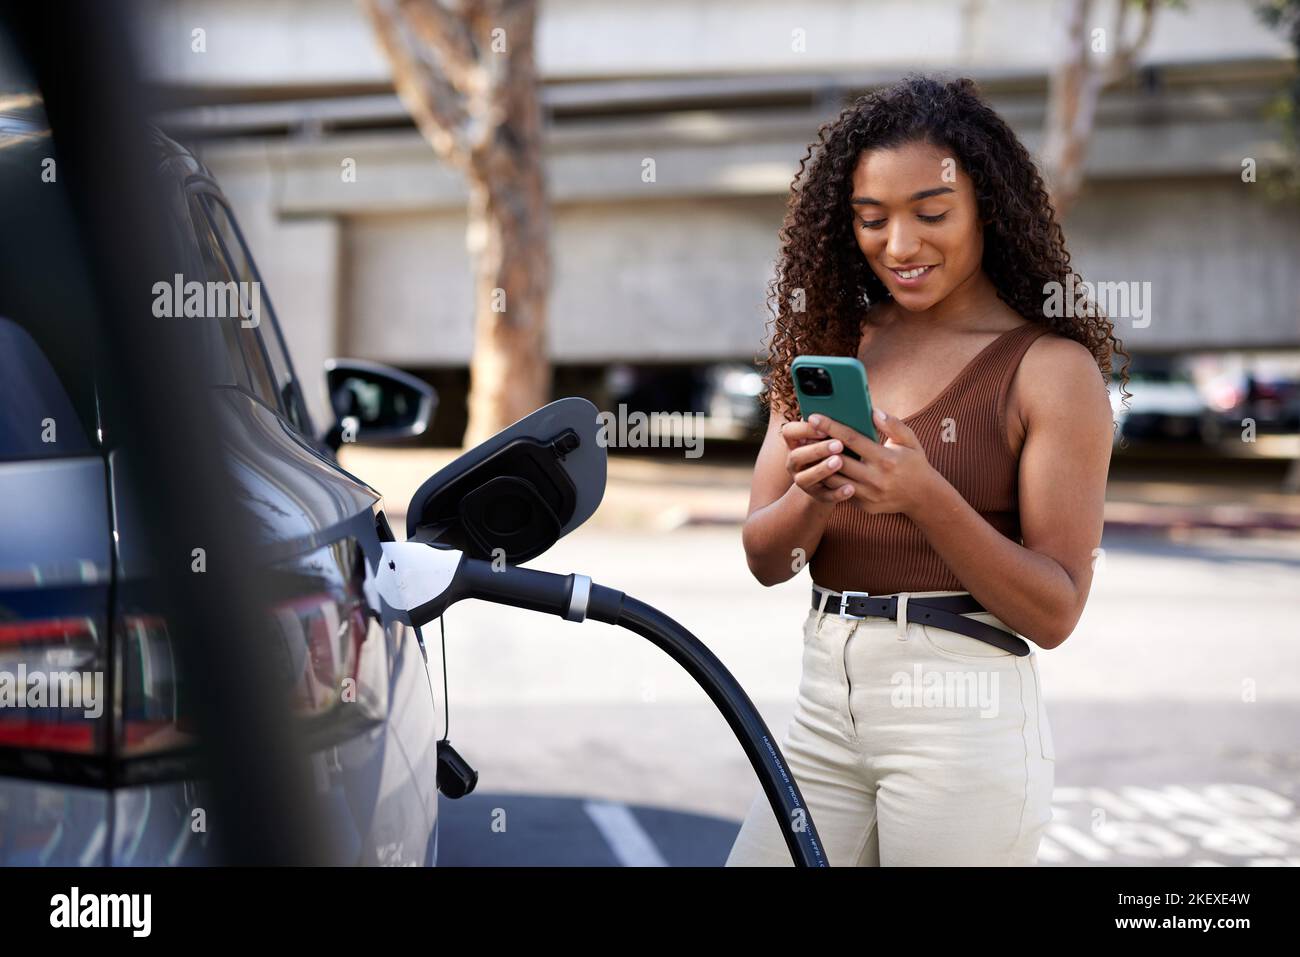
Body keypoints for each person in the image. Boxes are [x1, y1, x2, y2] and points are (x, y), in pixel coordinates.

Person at [725, 75, 1125, 867]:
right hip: (823, 705)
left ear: (988, 208)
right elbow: (767, 559)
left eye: (931, 213)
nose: (899, 246)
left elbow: (1054, 611)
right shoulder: (832, 345)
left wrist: (924, 496)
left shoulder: (1050, 370)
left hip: (962, 724)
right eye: (872, 219)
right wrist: (816, 491)